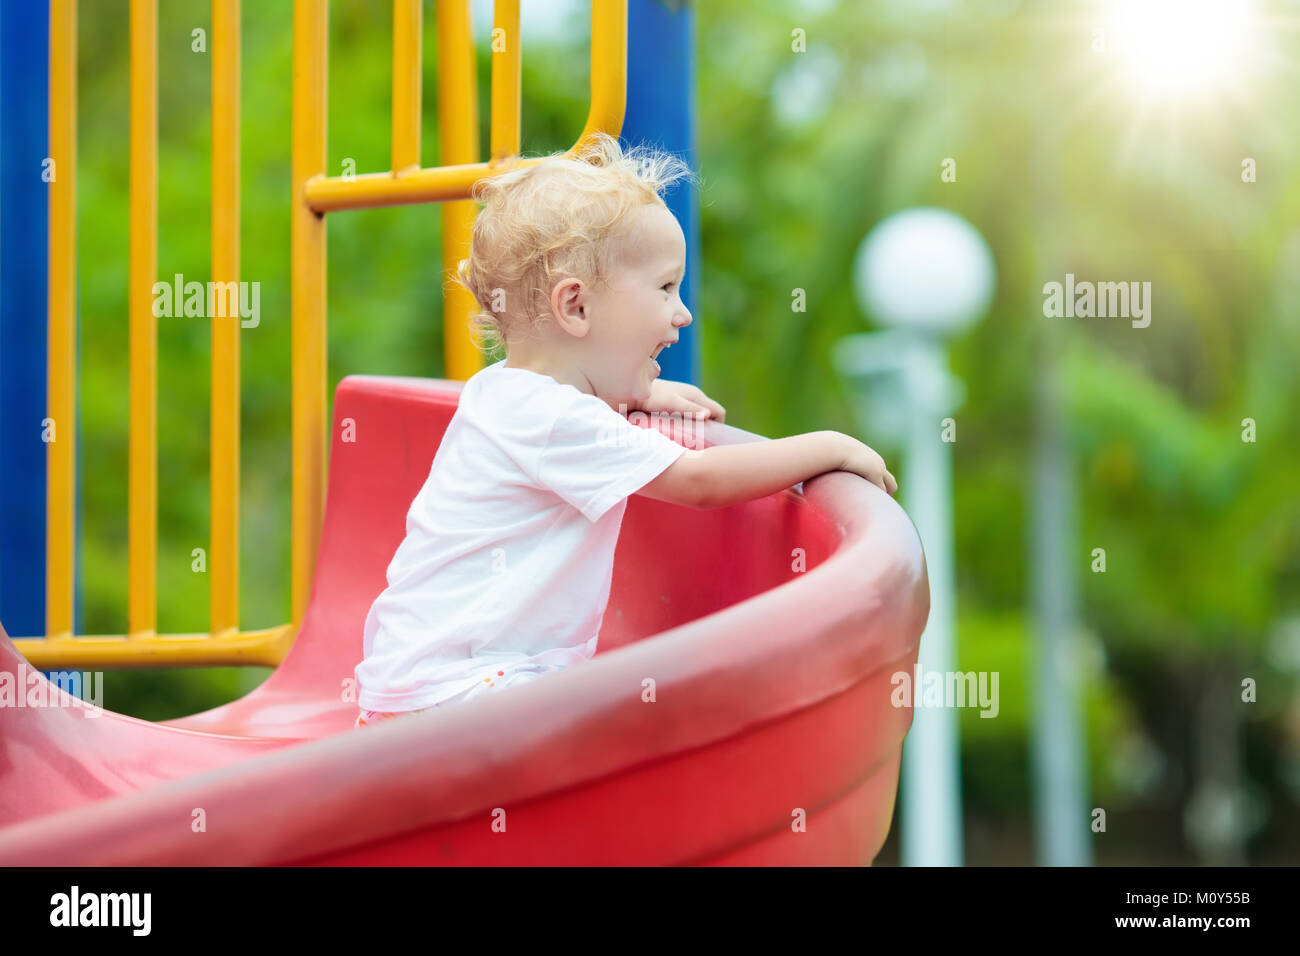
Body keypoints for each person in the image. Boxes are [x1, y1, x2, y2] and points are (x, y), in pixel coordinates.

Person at [352, 132, 896, 729]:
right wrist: (829, 446)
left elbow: (575, 406)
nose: (682, 313)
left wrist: (636, 393)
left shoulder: (507, 393)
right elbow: (698, 481)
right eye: (665, 287)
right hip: (457, 698)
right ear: (577, 307)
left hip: (415, 690)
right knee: (648, 714)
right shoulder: (554, 419)